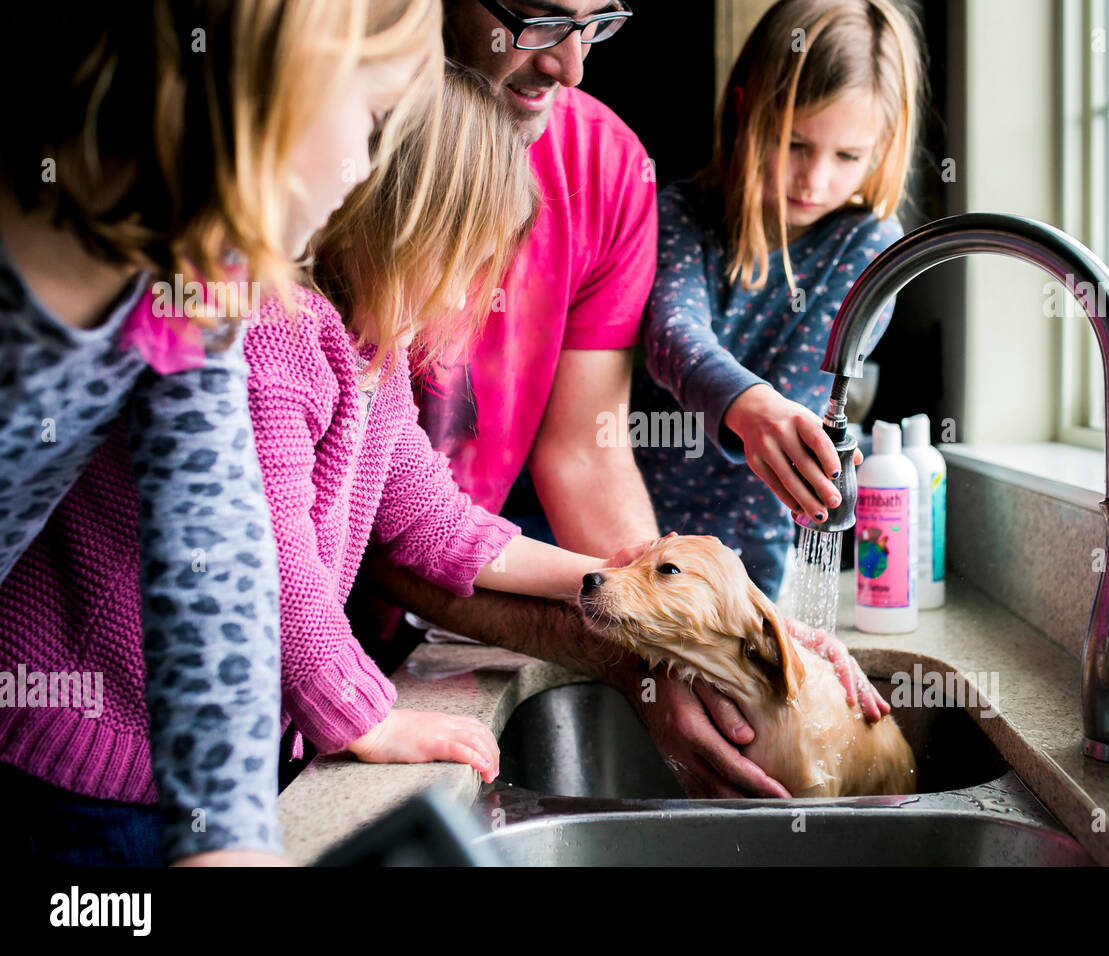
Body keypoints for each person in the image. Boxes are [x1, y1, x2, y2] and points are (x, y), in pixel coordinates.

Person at [362, 0, 889, 801]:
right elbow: (319, 552)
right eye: (538, 18)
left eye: (598, 22)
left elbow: (532, 475)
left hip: (404, 653)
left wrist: (680, 627)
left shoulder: (605, 166)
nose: (572, 66)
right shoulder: (331, 151)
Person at [0, 0, 441, 866]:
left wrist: (231, 839)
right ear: (270, 74)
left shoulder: (193, 281)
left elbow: (214, 552)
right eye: (370, 117)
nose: (363, 170)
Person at [632, 0, 921, 599]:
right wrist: (752, 406)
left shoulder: (872, 249)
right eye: (794, 143)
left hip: (758, 568)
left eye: (847, 157)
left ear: (883, 146)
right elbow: (672, 331)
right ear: (745, 110)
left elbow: (802, 411)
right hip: (632, 540)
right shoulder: (681, 214)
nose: (814, 179)